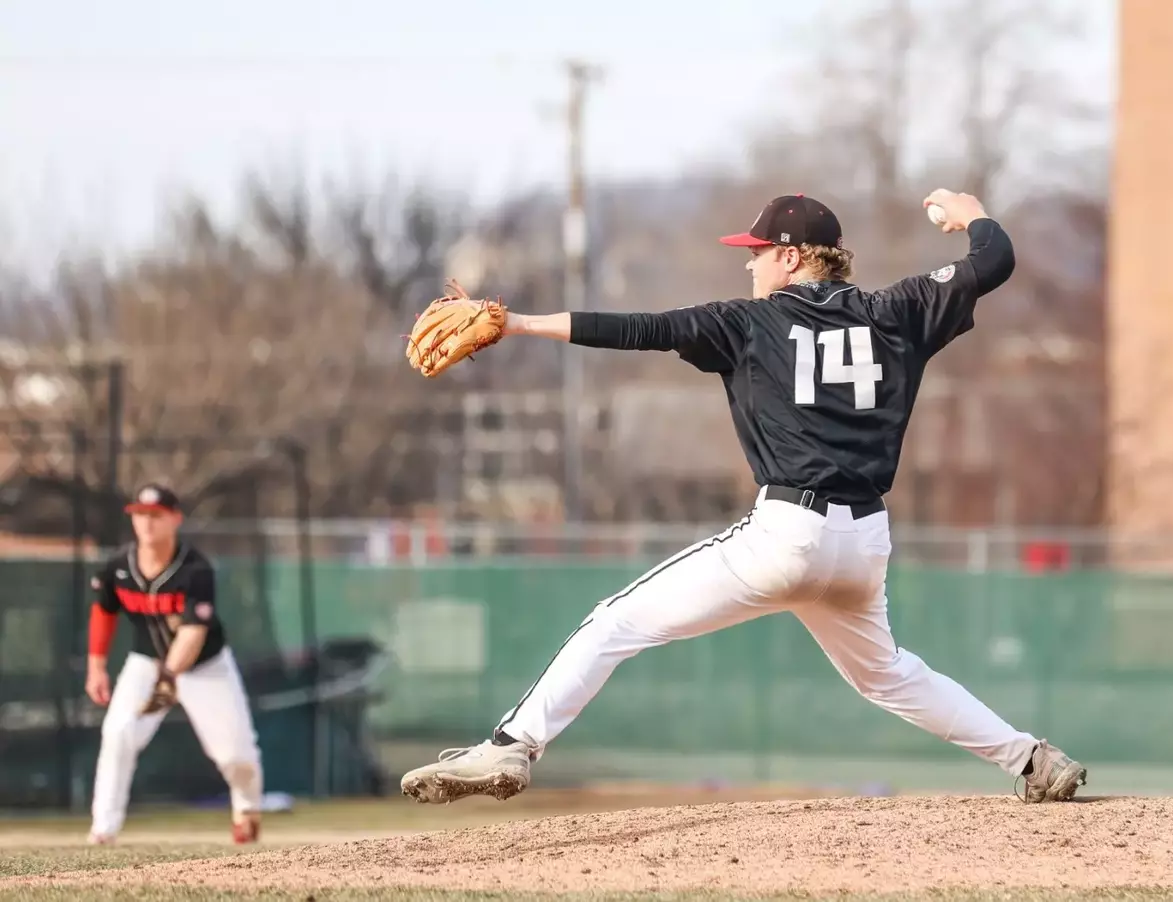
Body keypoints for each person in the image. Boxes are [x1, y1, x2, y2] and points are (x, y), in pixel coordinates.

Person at [400, 189, 1088, 805]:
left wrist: (517, 322)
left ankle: (512, 745)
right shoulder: (900, 311)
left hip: (788, 532)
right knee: (888, 676)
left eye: (758, 253)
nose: (749, 265)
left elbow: (638, 329)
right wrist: (970, 216)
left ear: (791, 258)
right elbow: (992, 260)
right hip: (864, 543)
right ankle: (1032, 760)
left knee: (614, 622)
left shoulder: (748, 324)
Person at [85, 483, 265, 845]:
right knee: (118, 733)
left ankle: (246, 810)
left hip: (205, 666)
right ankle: (104, 828)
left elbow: (193, 632)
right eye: (140, 515)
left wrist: (170, 677)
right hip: (145, 663)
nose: (147, 523)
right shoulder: (118, 566)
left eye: (156, 516)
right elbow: (103, 612)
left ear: (175, 519)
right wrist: (97, 666)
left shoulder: (195, 569)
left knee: (235, 753)